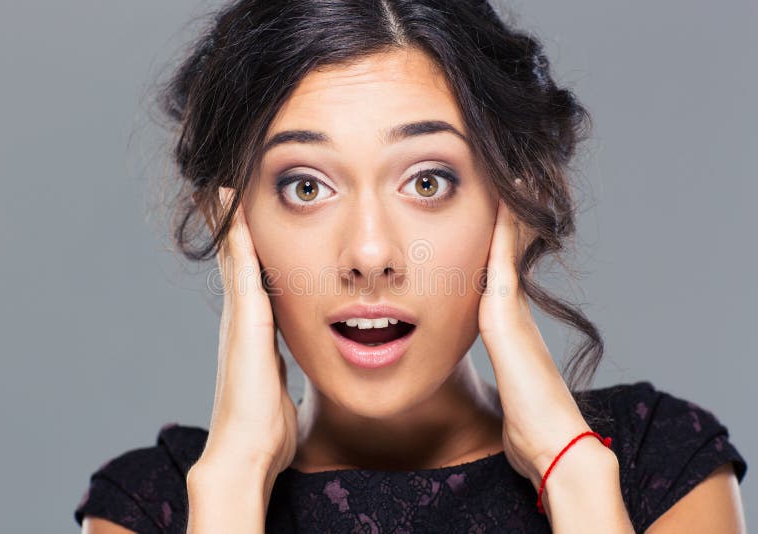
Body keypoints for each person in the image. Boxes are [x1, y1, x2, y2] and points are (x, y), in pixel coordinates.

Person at [74, 0, 748, 532]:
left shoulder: (659, 468)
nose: (370, 255)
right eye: (306, 186)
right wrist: (232, 484)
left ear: (513, 199)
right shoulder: (152, 507)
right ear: (232, 221)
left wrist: (570, 472)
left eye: (427, 182)